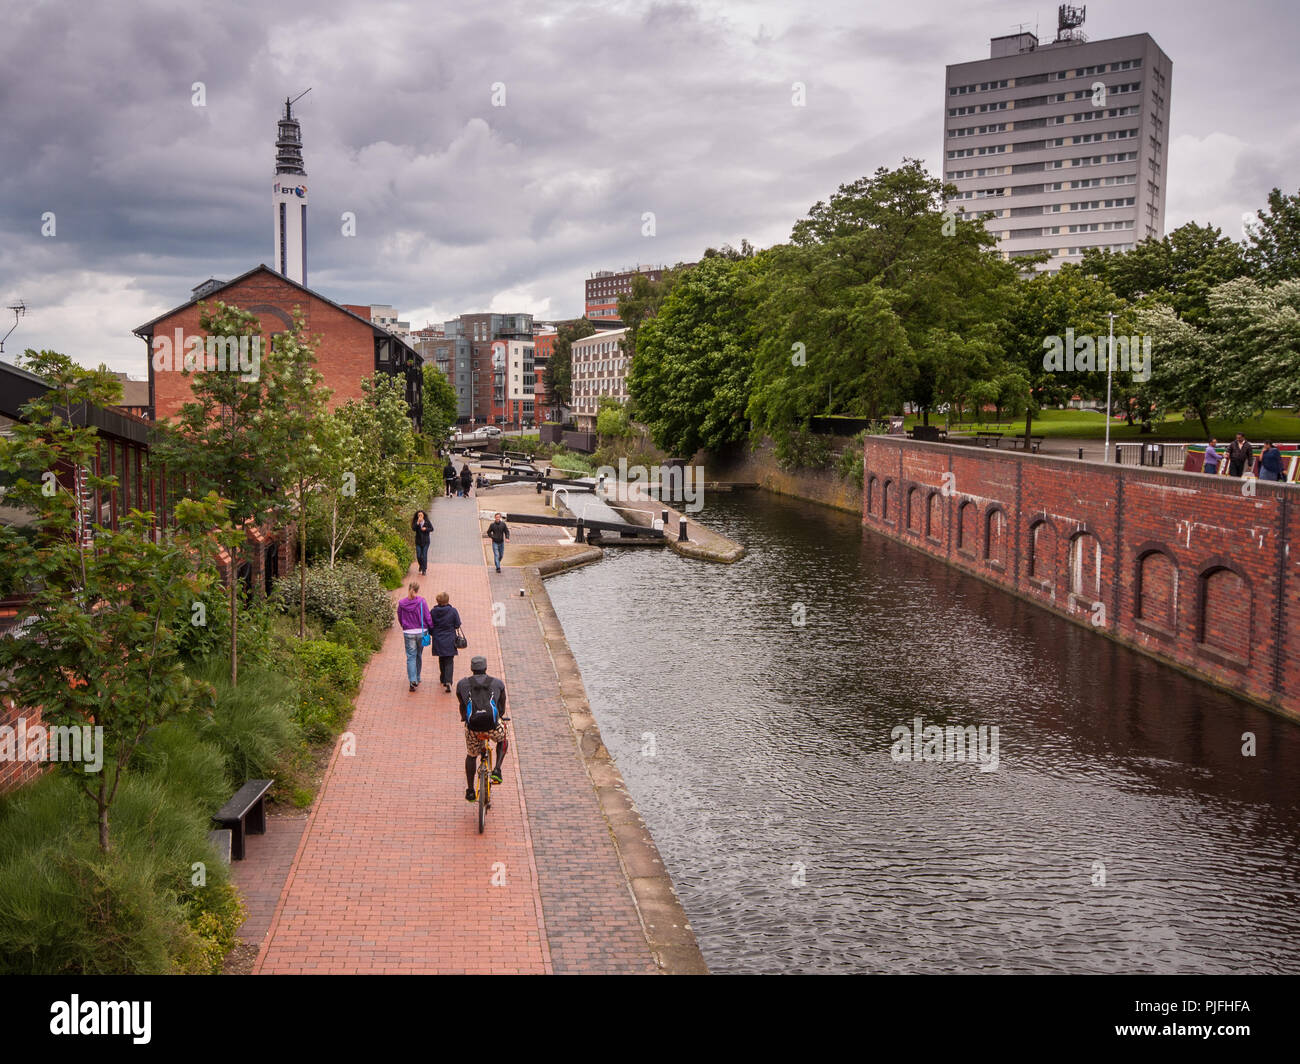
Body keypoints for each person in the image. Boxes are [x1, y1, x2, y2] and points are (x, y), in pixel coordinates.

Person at [456, 655, 508, 803]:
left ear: (471, 669)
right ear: (485, 668)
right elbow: (501, 706)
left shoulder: (462, 684)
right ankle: (497, 769)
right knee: (503, 738)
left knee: (471, 755)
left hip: (473, 728)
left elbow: (462, 704)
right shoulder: (497, 683)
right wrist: (500, 716)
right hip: (492, 726)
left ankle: (471, 790)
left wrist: (464, 718)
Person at [396, 582, 433, 692]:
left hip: (408, 632)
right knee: (418, 654)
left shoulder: (402, 603)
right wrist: (431, 627)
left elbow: (399, 616)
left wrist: (404, 626)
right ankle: (417, 677)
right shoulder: (422, 602)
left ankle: (412, 679)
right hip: (421, 632)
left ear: (409, 589)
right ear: (417, 590)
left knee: (410, 656)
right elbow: (427, 616)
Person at [429, 591, 463, 693]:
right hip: (449, 638)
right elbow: (457, 624)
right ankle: (448, 681)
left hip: (438, 638)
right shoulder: (453, 611)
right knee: (449, 660)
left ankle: (443, 677)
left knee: (441, 658)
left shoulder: (433, 612)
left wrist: (433, 633)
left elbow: (430, 624)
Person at [411, 510, 433, 575]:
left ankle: (424, 569)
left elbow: (432, 529)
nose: (420, 516)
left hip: (426, 541)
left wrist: (426, 529)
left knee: (424, 555)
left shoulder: (427, 521)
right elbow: (413, 529)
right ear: (417, 516)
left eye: (421, 515)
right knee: (419, 555)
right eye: (419, 515)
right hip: (418, 542)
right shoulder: (416, 522)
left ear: (423, 515)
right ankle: (421, 565)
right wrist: (417, 522)